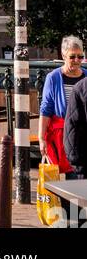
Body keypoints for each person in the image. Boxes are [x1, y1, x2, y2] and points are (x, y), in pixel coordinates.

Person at [42, 37, 87, 176]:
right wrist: (41, 138)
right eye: (72, 56)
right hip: (63, 133)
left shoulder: (86, 76)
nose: (77, 60)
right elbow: (46, 108)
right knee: (70, 173)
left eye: (80, 56)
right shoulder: (54, 77)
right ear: (63, 56)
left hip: (83, 132)